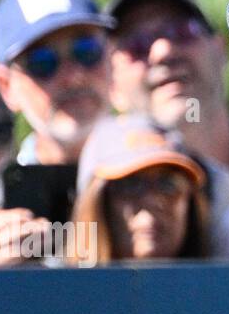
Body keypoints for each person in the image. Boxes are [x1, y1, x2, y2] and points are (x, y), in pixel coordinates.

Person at [105, 0, 229, 258]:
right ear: (112, 86)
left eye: (181, 32)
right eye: (137, 46)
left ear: (221, 50)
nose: (163, 52)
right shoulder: (98, 199)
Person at [0, 0, 114, 267]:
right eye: (42, 62)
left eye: (86, 51)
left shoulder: (180, 179)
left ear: (112, 56)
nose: (73, 77)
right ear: (6, 86)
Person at [70, 113, 211, 264]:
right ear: (94, 202)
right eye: (129, 185)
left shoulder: (223, 285)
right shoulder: (54, 285)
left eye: (168, 185)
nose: (152, 200)